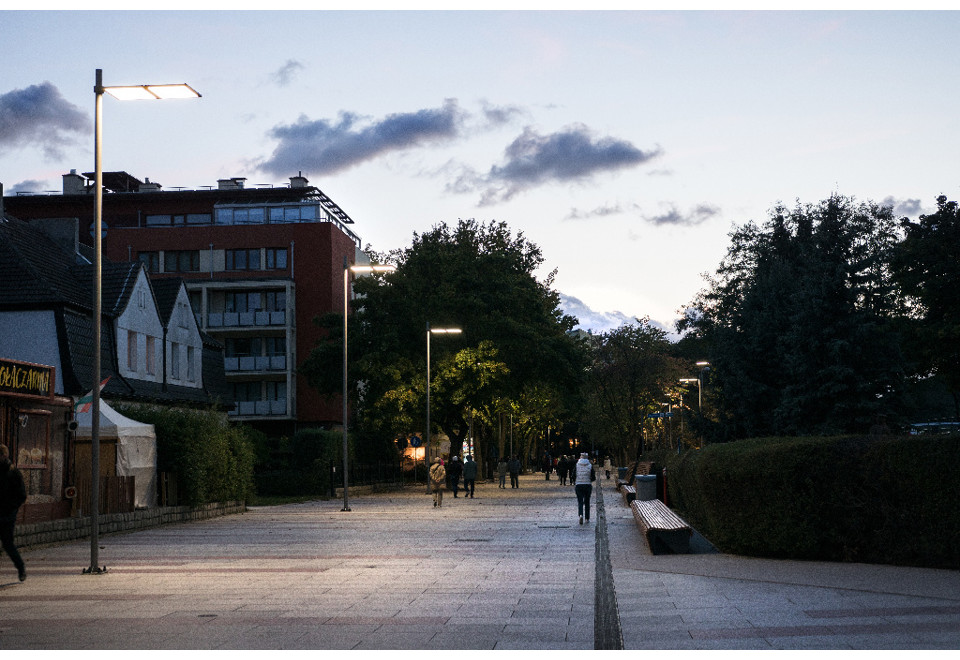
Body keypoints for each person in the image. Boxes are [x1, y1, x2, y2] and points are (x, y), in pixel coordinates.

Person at [0, 444, 27, 582]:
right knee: (7, 544)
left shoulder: (14, 473)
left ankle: (21, 567)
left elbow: (22, 495)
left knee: (8, 544)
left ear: (4, 456)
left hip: (7, 515)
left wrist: (12, 508)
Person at [573, 452, 596, 525]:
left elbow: (573, 475)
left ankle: (580, 515)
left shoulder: (577, 465)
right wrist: (589, 480)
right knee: (587, 501)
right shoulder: (590, 465)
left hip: (579, 485)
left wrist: (576, 481)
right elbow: (593, 477)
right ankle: (587, 518)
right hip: (587, 485)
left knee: (580, 501)